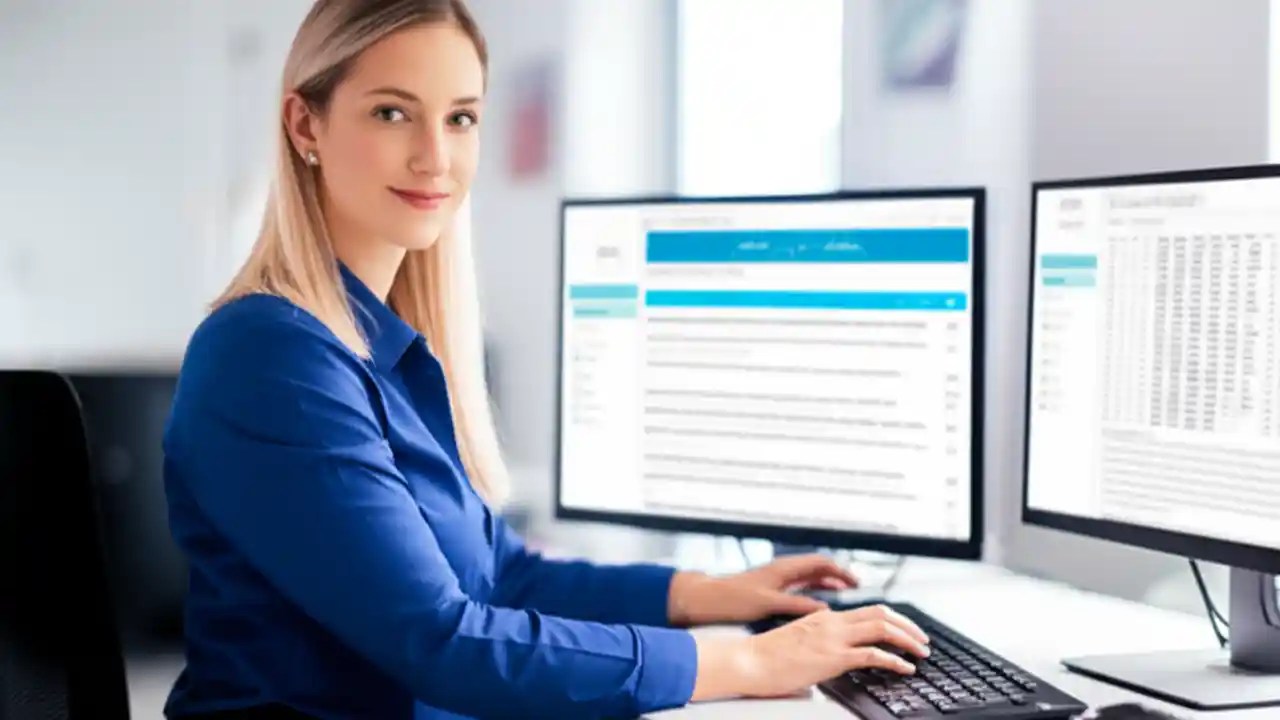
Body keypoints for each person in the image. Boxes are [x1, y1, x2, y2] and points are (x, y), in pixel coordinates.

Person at [161, 1, 930, 718]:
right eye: (392, 112)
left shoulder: (384, 345)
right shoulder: (271, 356)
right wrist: (747, 663)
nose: (436, 156)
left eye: (461, 118)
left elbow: (507, 575)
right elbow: (441, 640)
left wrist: (710, 593)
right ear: (305, 125)